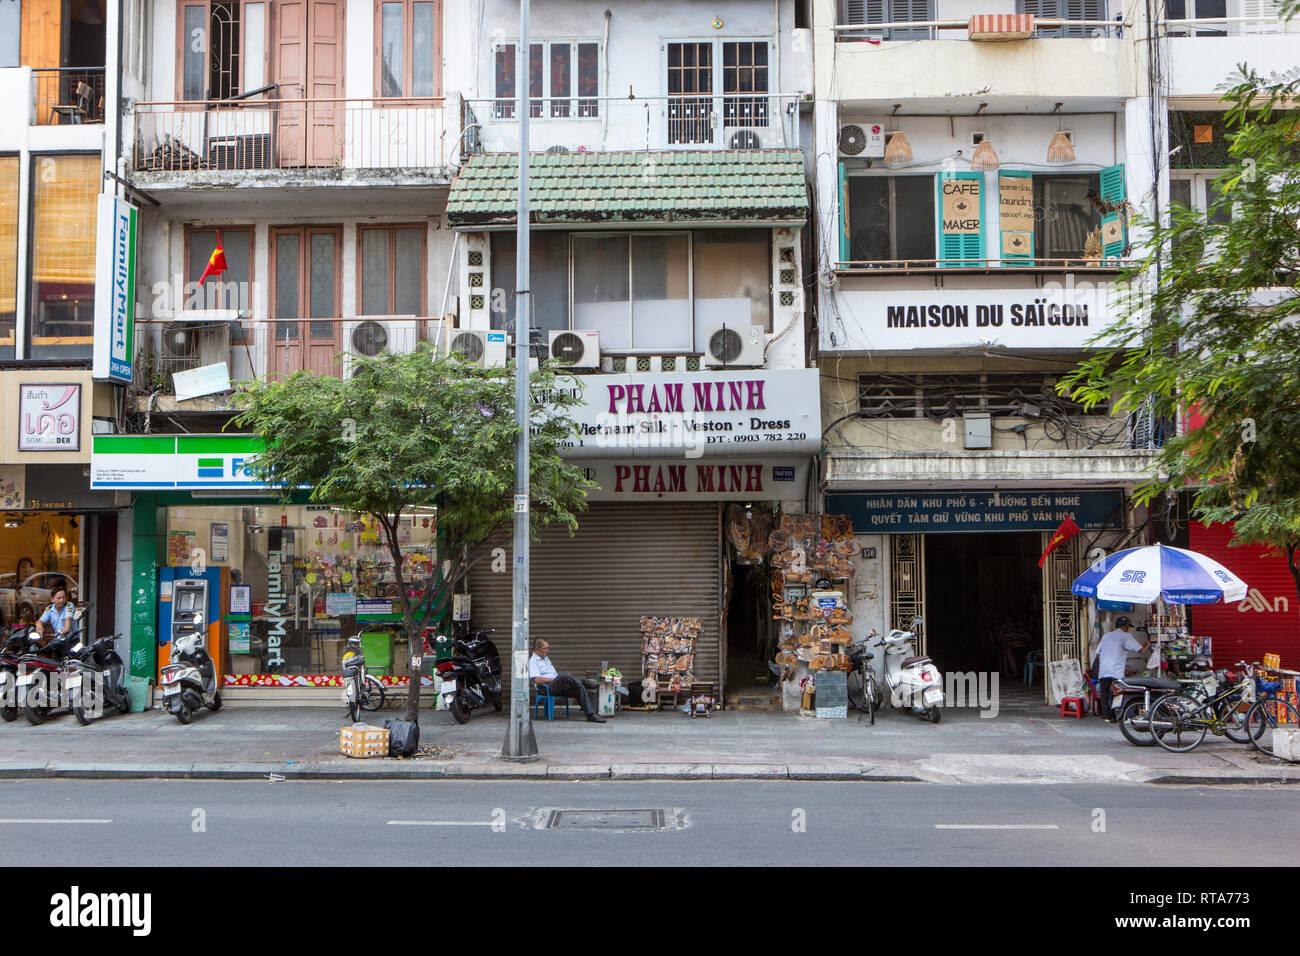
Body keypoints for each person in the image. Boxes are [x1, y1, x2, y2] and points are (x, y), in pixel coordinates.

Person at [528, 638, 606, 723]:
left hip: (557, 687)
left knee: (578, 688)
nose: (547, 651)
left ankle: (591, 715)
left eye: (548, 648)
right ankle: (584, 682)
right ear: (537, 648)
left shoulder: (545, 659)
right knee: (563, 676)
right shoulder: (533, 661)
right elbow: (537, 680)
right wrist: (555, 679)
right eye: (545, 648)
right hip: (546, 689)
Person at [1094, 615, 1150, 721]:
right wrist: (1147, 645)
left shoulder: (1106, 636)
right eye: (1129, 627)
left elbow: (1098, 653)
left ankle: (1107, 716)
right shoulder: (1126, 636)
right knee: (1120, 693)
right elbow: (1141, 651)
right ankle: (1120, 715)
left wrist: (1105, 663)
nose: (1129, 629)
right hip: (1116, 672)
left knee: (1105, 694)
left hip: (1104, 671)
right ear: (1125, 626)